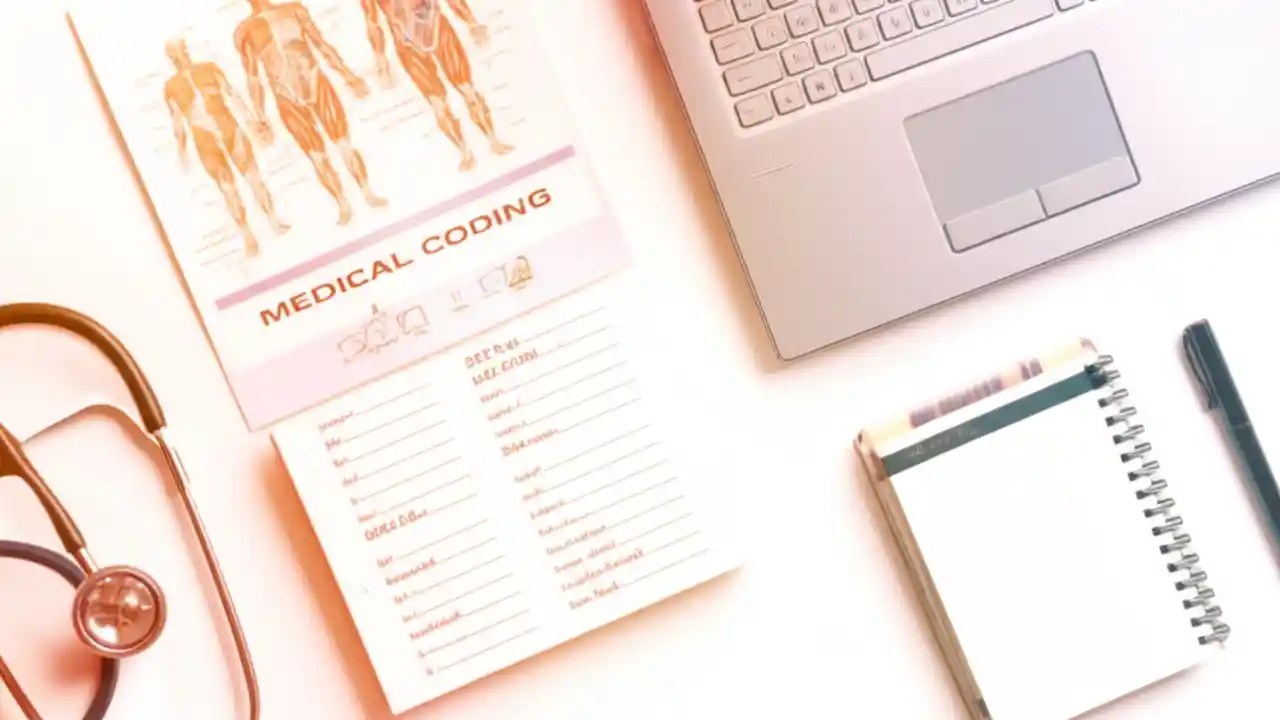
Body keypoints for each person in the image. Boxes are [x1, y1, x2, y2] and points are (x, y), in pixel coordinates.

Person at [235, 0, 387, 225]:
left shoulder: (293, 9)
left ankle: (366, 192)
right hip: (286, 96)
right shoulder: (244, 31)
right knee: (317, 156)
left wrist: (348, 75)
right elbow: (252, 76)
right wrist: (260, 117)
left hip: (316, 82)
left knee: (343, 143)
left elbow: (321, 45)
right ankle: (343, 204)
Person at [163, 39, 288, 257]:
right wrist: (182, 151)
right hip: (205, 139)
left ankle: (273, 220)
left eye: (181, 50)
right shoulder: (171, 86)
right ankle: (248, 236)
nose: (180, 56)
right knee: (228, 188)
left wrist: (253, 124)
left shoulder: (209, 68)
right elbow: (177, 121)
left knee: (253, 178)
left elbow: (232, 95)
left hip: (230, 129)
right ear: (171, 58)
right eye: (176, 53)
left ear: (186, 50)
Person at [361, 0, 514, 171]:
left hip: (436, 27)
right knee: (438, 103)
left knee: (466, 88)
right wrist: (381, 60)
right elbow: (372, 21)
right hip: (407, 41)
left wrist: (471, 21)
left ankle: (492, 140)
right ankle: (465, 152)